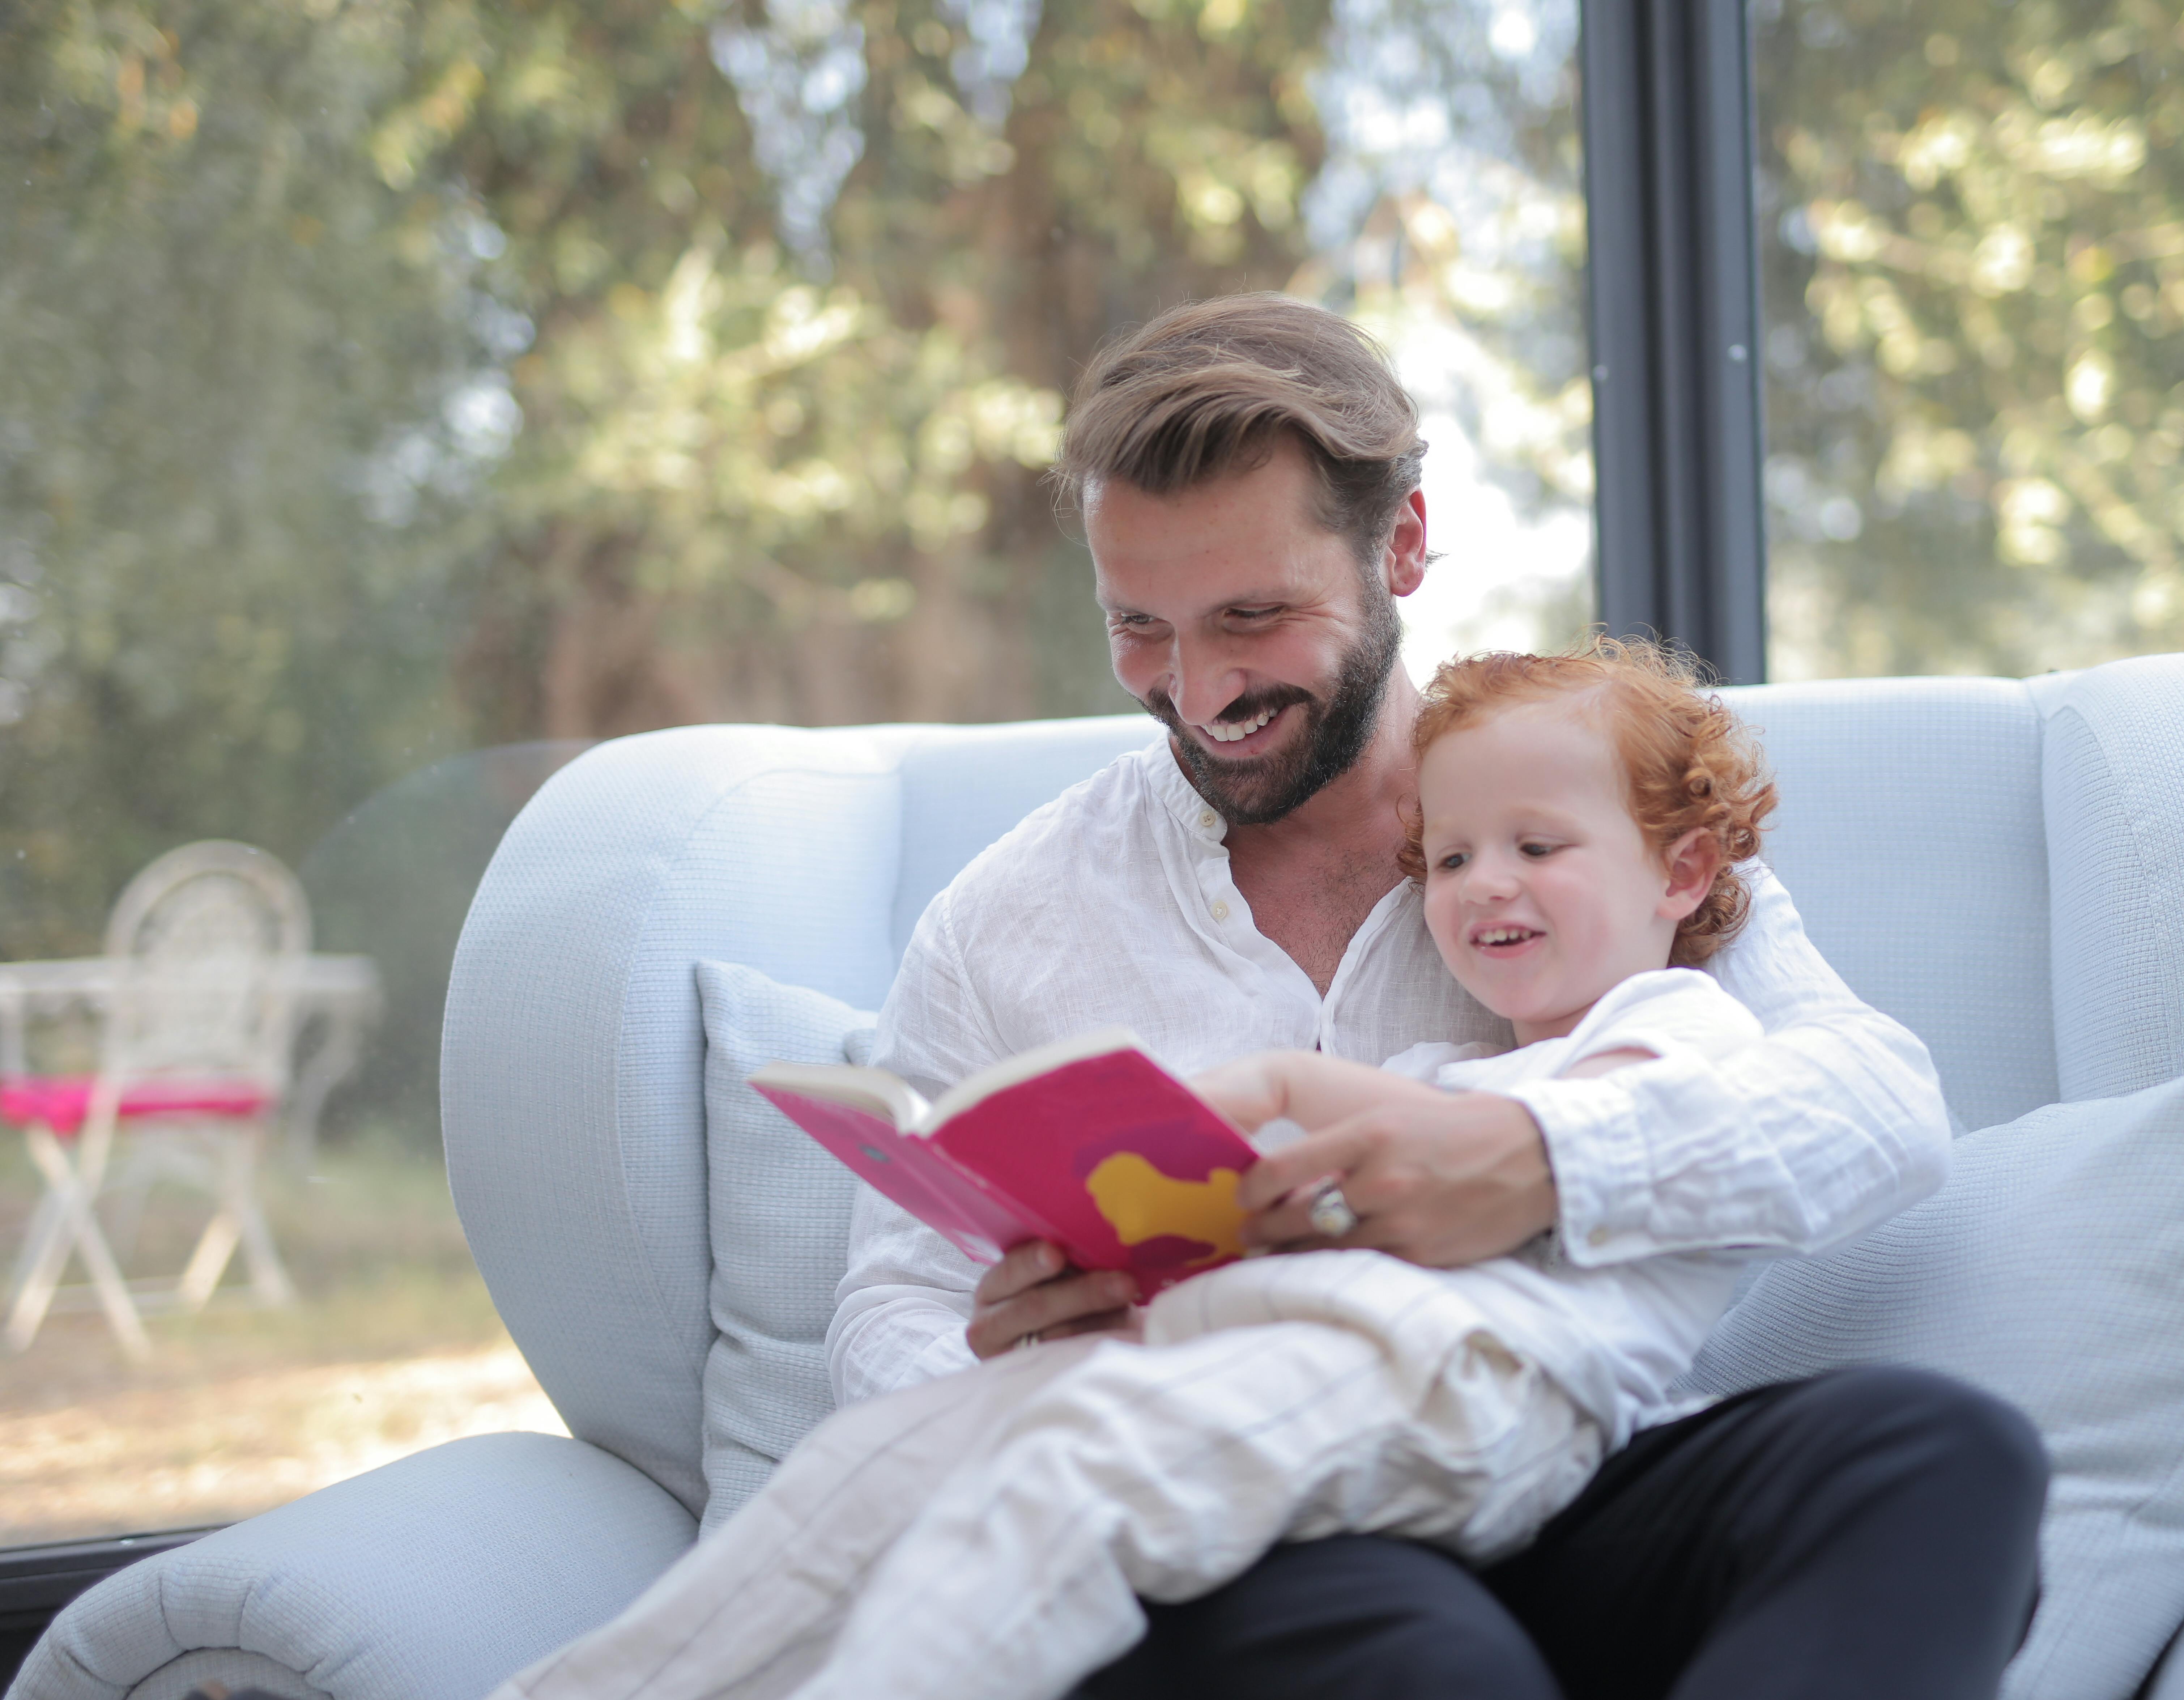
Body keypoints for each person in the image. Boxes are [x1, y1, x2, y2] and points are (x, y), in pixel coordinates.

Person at [541, 293, 2044, 1700]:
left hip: (1550, 1453)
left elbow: (1877, 1102)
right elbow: (895, 1303)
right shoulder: (1010, 920)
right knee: (1411, 1650)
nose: (1197, 692)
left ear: (1403, 548)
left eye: (1252, 617)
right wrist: (1045, 1354)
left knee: (1937, 1451)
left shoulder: (1574, 827)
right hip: (1234, 1498)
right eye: (1139, 626)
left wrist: (1536, 1161)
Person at [491, 640, 1811, 1700]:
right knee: (878, 1464)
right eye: (1453, 856)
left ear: (1684, 869)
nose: (1482, 885)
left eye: (1537, 847)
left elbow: (1514, 1152)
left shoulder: (1683, 1029)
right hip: (1299, 1363)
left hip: (1470, 1398)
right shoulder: (1443, 1058)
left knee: (1064, 1486)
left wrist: (1273, 1093)